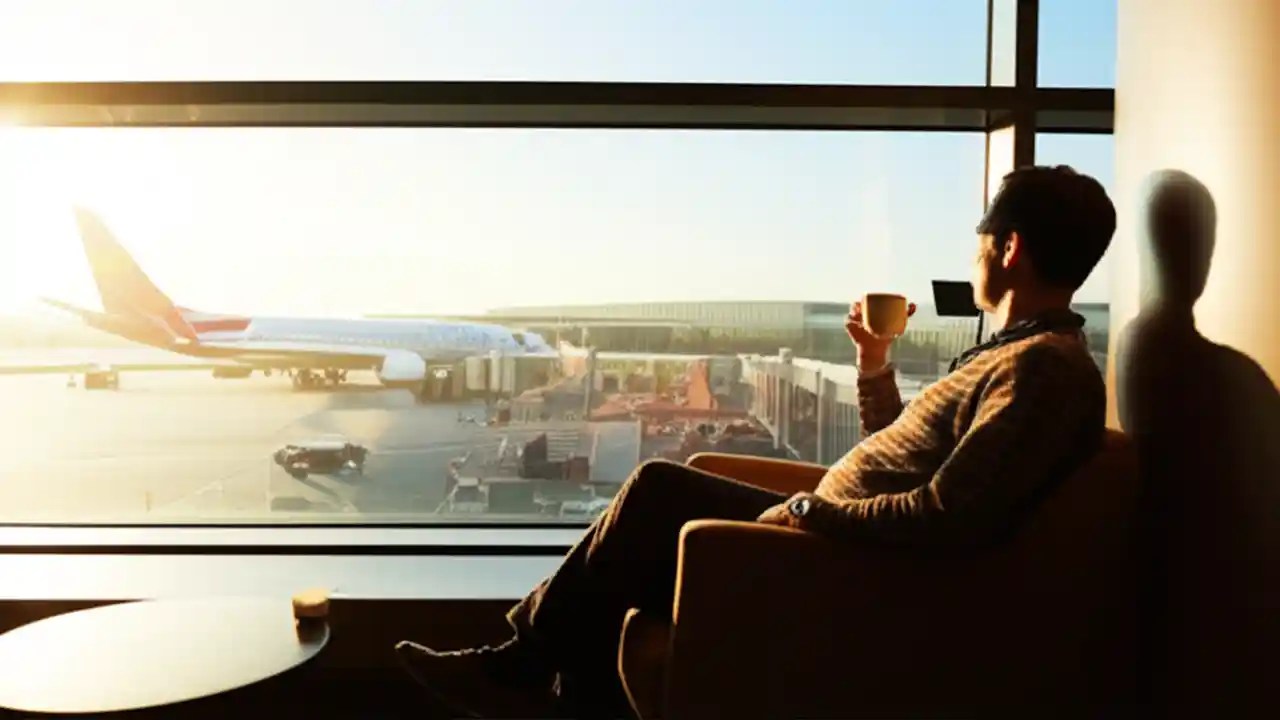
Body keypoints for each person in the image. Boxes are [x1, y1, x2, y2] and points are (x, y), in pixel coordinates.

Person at [395, 165, 1117, 719]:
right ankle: (529, 671)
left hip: (840, 559)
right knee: (654, 506)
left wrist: (808, 512)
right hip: (835, 534)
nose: (975, 259)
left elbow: (946, 513)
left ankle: (517, 668)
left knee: (654, 497)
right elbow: (903, 451)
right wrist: (874, 364)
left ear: (1010, 247)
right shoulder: (1019, 353)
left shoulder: (1041, 371)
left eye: (981, 243)